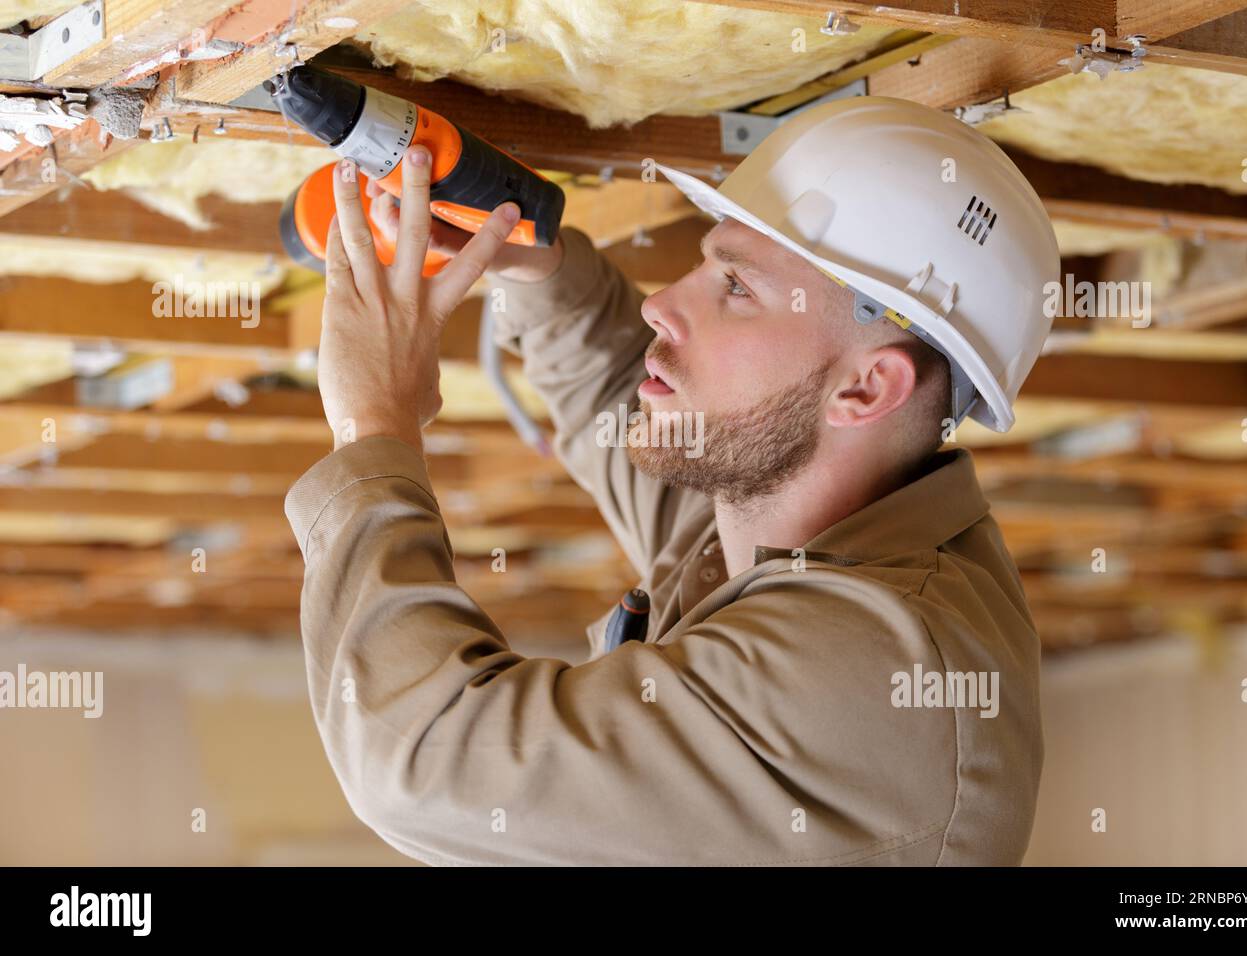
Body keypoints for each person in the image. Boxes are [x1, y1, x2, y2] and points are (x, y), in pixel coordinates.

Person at [285, 96, 1060, 865]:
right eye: (705, 266)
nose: (661, 303)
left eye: (737, 288)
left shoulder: (876, 667)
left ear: (865, 390)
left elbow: (424, 763)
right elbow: (640, 406)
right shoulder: (799, 525)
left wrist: (374, 424)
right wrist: (533, 263)